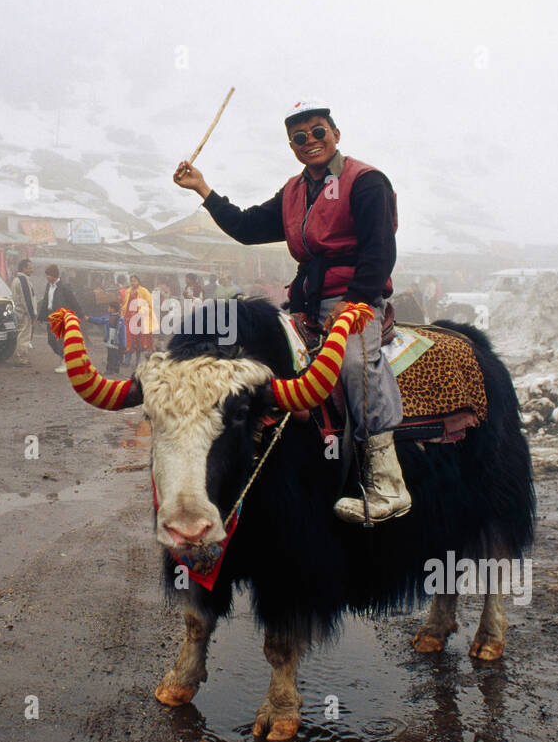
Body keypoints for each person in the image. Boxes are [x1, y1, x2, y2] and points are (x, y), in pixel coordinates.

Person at [172, 98, 411, 524]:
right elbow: (246, 228)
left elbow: (379, 251)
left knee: (356, 362)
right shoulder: (294, 192)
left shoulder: (366, 182)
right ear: (291, 145)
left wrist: (354, 305)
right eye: (299, 137)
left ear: (335, 133)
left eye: (318, 131)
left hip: (355, 300)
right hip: (304, 304)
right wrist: (204, 190)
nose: (310, 142)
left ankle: (386, 483)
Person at [37, 264, 83, 373]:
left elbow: (73, 301)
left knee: (60, 340)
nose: (46, 277)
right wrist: (41, 317)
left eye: (48, 275)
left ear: (53, 275)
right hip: (50, 316)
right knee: (51, 340)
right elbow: (46, 301)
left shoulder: (64, 286)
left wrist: (81, 314)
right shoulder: (49, 286)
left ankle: (65, 361)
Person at [121, 274, 154, 369]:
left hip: (140, 320)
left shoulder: (144, 291)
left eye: (134, 281)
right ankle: (127, 359)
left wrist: (141, 312)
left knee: (140, 340)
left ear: (138, 281)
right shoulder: (128, 291)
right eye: (131, 281)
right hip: (129, 319)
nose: (133, 283)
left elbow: (149, 304)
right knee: (129, 339)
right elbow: (125, 304)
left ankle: (138, 361)